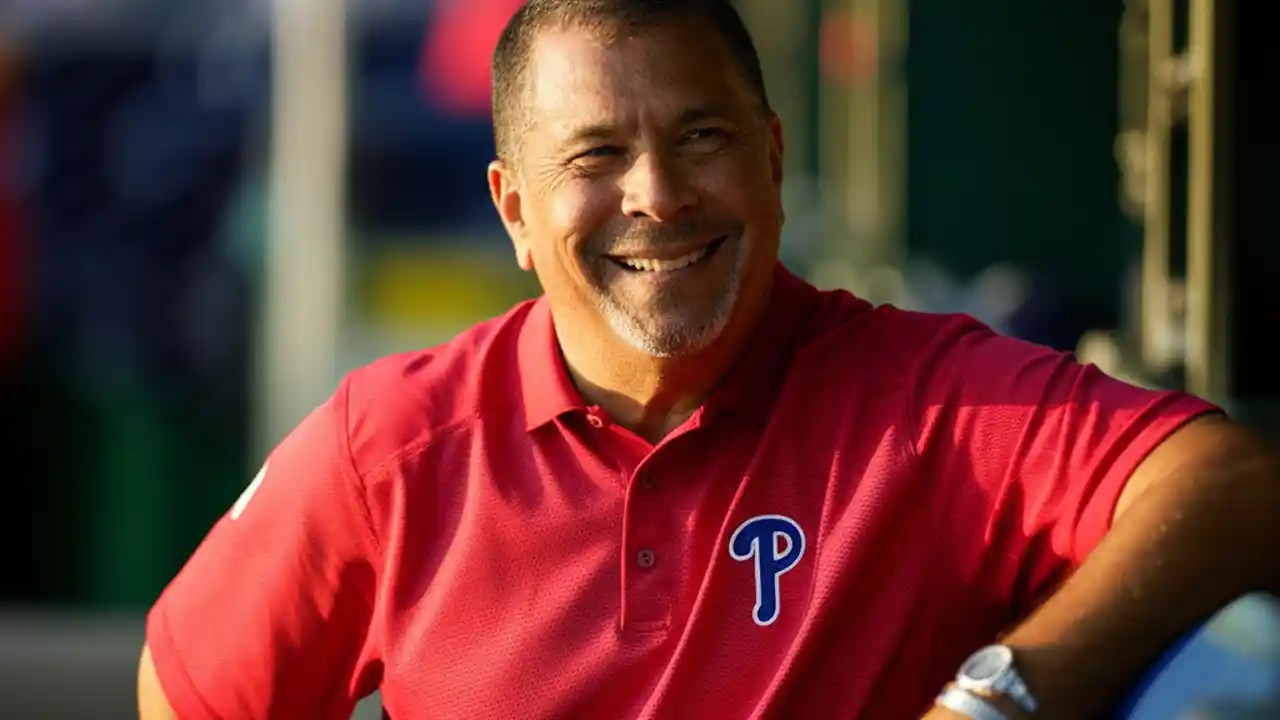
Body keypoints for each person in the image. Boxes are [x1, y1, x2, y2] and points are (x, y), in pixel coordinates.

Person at [137, 1, 1280, 718]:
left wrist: (1003, 693)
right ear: (514, 211)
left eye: (701, 137)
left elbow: (1226, 481)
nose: (657, 196)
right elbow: (191, 693)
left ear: (773, 159)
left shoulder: (928, 398)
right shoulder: (392, 442)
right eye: (596, 153)